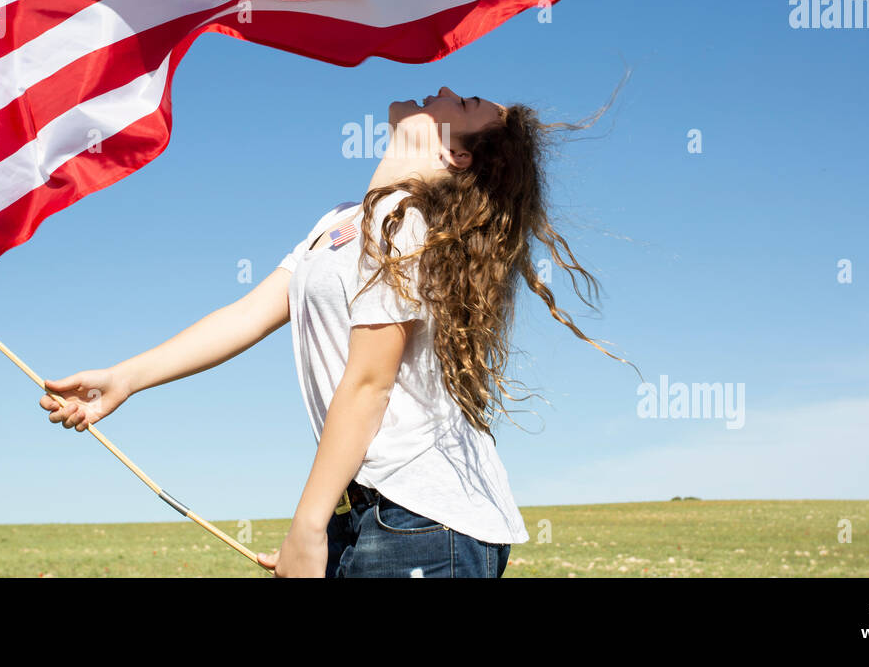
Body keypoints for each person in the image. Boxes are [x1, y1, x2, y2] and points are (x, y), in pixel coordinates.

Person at [39, 84, 637, 577]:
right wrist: (124, 380)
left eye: (467, 103)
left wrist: (306, 528)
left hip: (423, 522)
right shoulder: (343, 221)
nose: (448, 88)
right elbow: (246, 316)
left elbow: (369, 384)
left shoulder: (401, 221)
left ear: (459, 156)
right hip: (372, 514)